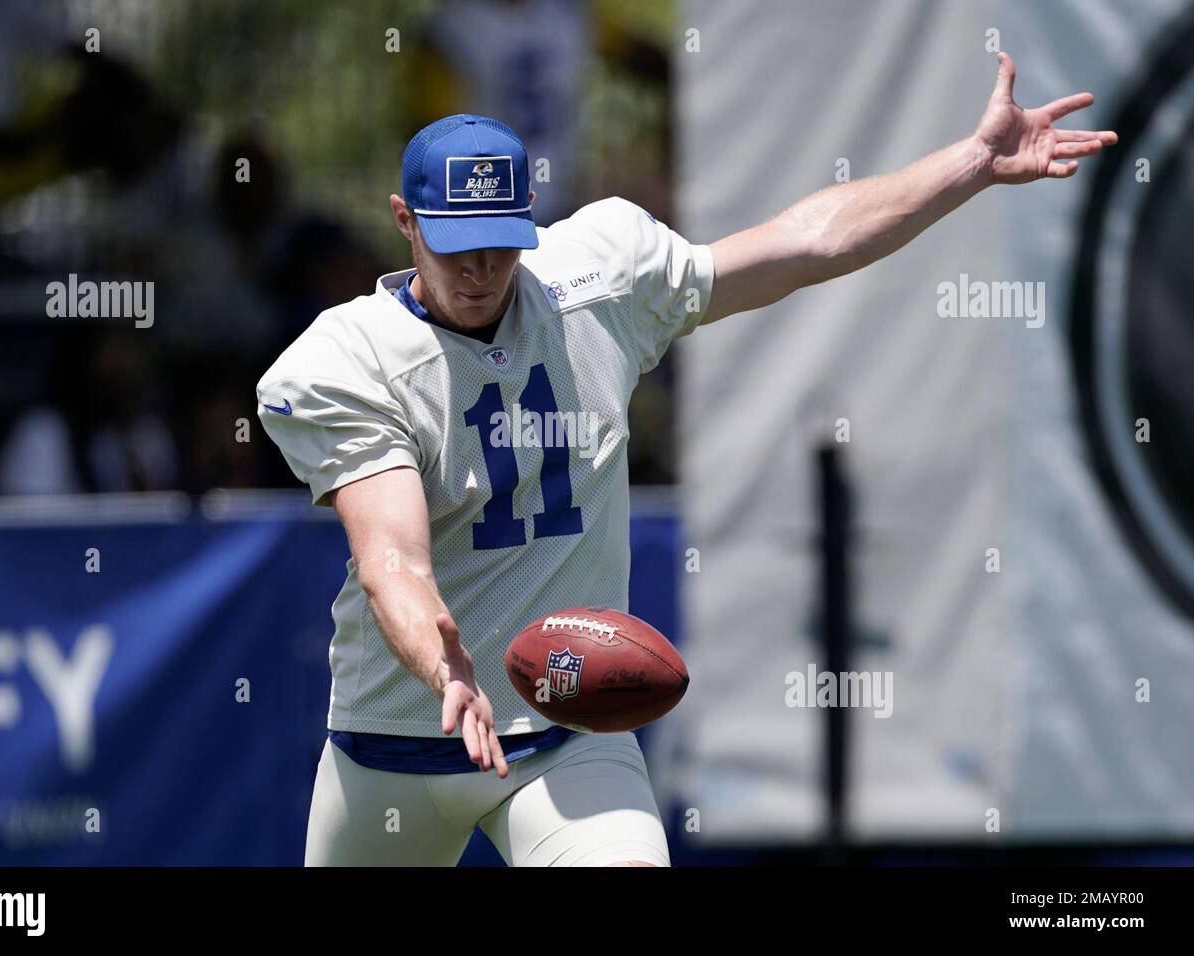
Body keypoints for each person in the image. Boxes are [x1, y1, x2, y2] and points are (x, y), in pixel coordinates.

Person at [256, 55, 1116, 866]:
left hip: (567, 735)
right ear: (405, 222)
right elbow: (392, 557)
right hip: (398, 740)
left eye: (500, 238)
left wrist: (967, 164)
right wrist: (445, 666)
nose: (482, 266)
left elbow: (806, 244)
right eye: (455, 240)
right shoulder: (351, 360)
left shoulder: (599, 279)